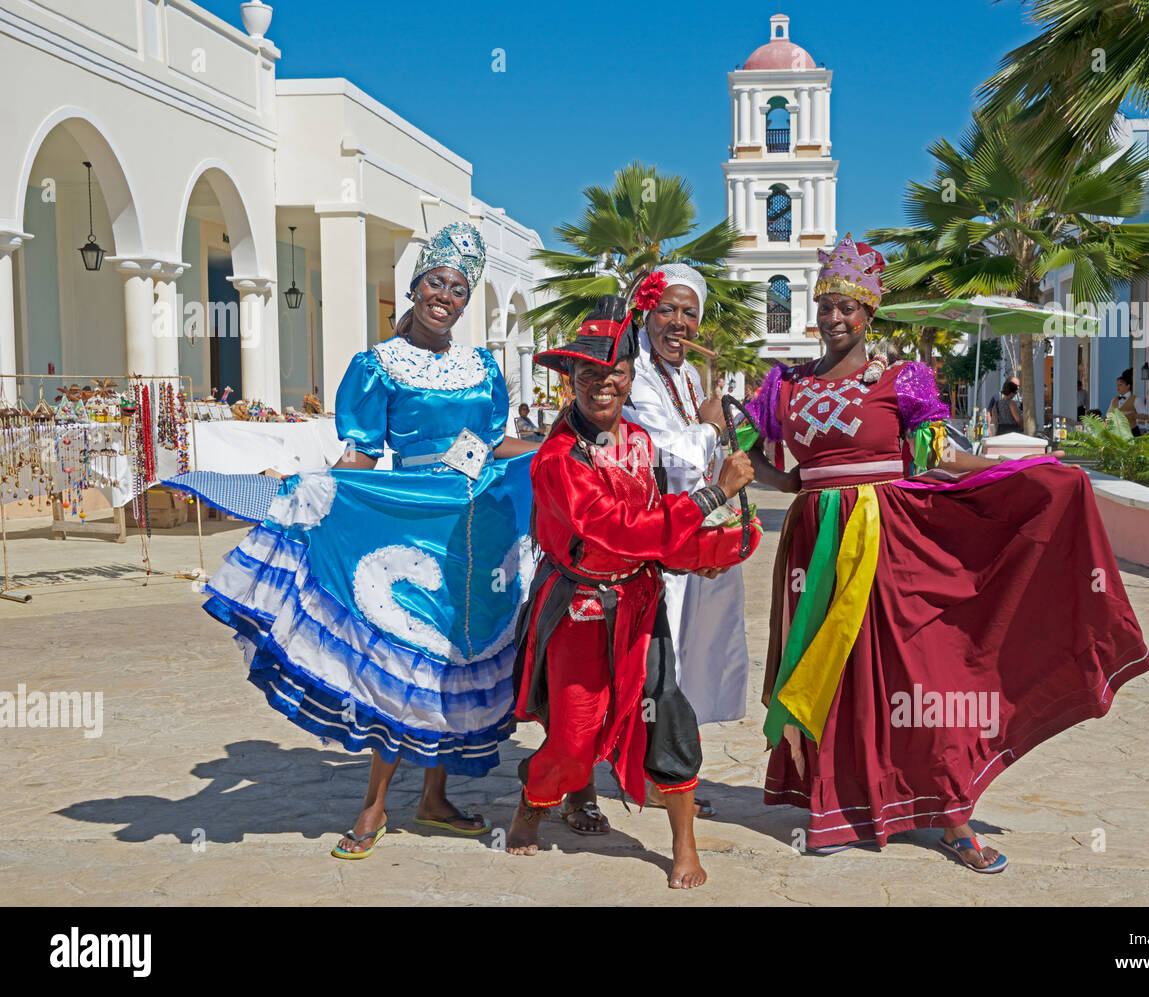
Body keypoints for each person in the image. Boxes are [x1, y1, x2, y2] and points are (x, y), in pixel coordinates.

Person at [743, 233, 1149, 871]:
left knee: (915, 672)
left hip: (888, 539)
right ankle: (846, 801)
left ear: (868, 314)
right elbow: (789, 476)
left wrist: (1026, 471)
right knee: (835, 671)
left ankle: (951, 813)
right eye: (826, 305)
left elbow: (942, 460)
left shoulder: (901, 381)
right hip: (811, 544)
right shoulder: (785, 387)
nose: (834, 318)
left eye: (848, 307)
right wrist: (729, 448)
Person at [196, 222, 538, 859]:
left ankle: (434, 799)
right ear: (415, 287)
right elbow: (359, 457)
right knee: (402, 656)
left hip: (474, 527)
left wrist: (557, 454)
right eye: (437, 282)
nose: (447, 296)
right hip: (406, 524)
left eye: (460, 289)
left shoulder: (482, 366)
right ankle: (374, 806)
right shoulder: (375, 365)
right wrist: (315, 487)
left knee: (452, 660)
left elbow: (494, 444)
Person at [506, 295, 760, 889]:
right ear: (570, 380)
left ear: (629, 372)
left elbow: (653, 540)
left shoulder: (640, 441)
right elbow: (616, 532)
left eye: (615, 371)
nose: (604, 384)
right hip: (579, 609)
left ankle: (683, 846)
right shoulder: (558, 458)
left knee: (668, 716)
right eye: (589, 373)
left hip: (641, 606)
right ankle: (533, 798)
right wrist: (714, 497)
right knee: (572, 740)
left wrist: (716, 551)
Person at [621, 264, 749, 816]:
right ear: (647, 313)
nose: (678, 322)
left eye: (689, 312)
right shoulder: (636, 375)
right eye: (667, 310)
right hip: (653, 534)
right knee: (656, 657)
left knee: (688, 652)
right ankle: (651, 773)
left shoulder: (691, 378)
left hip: (695, 528)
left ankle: (671, 770)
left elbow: (705, 455)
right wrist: (713, 428)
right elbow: (669, 454)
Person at [1107, 368, 1147, 436]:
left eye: (1120, 385)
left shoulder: (1136, 400)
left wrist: (1132, 415)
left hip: (1132, 431)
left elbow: (1145, 416)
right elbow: (1108, 414)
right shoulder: (1114, 400)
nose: (1118, 387)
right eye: (1117, 385)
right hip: (1117, 433)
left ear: (1128, 386)